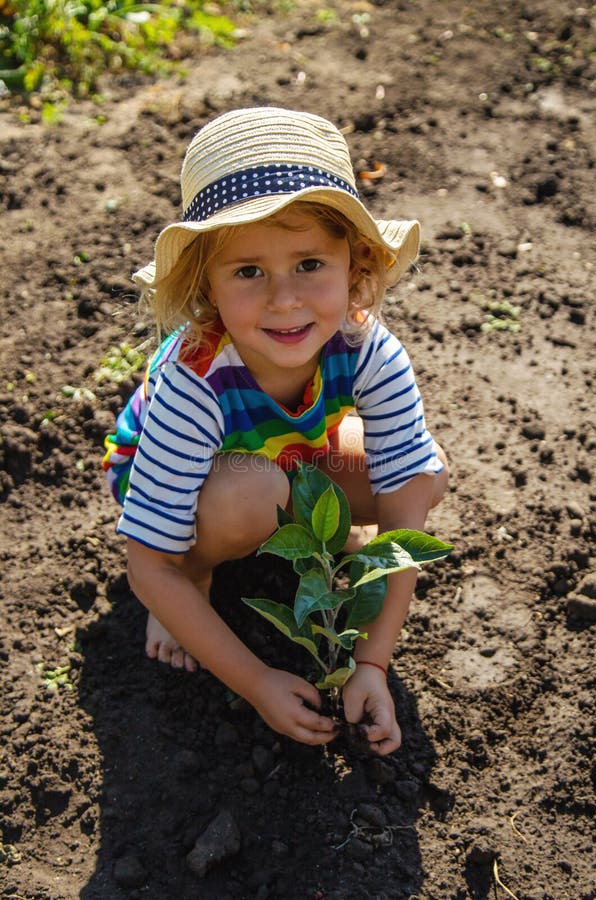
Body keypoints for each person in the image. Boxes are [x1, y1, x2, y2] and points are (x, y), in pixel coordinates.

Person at [103, 106, 448, 756]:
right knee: (247, 490)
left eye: (310, 263)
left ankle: (303, 532)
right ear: (205, 283)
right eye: (248, 271)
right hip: (179, 483)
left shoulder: (366, 344)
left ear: (355, 263)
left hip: (293, 457)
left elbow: (406, 486)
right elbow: (143, 564)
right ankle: (197, 582)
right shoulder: (195, 378)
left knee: (424, 472)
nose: (284, 299)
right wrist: (256, 680)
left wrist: (372, 661)